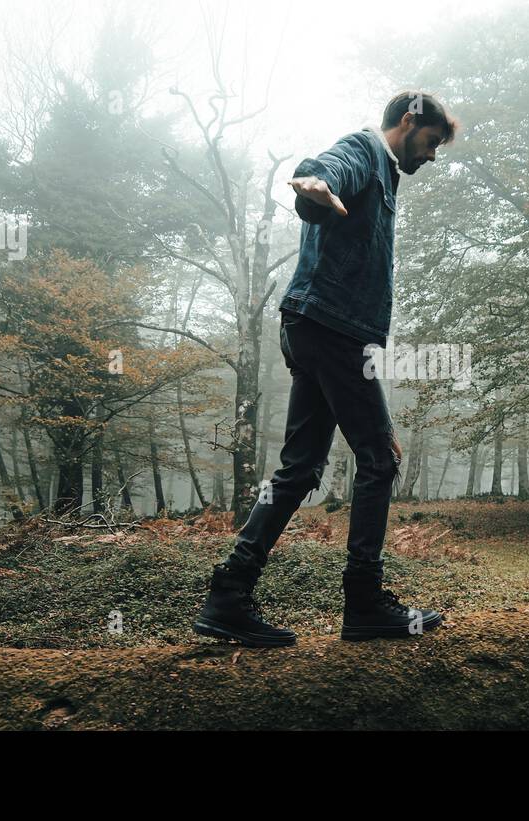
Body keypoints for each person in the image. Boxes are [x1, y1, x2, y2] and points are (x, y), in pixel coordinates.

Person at [193, 91, 461, 647]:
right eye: (431, 142)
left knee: (300, 469)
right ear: (409, 122)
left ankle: (228, 595)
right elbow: (325, 169)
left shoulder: (387, 179)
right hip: (333, 330)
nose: (432, 155)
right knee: (379, 458)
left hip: (317, 326)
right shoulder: (366, 150)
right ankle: (364, 602)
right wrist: (312, 184)